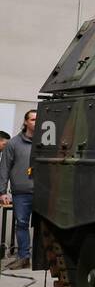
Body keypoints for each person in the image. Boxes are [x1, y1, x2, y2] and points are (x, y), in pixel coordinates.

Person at [0, 110, 36, 270]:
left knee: (45, 226)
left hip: (43, 193)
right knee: (21, 224)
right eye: (33, 119)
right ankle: (23, 257)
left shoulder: (45, 143)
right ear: (26, 122)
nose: (36, 122)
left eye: (38, 119)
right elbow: (4, 168)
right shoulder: (13, 144)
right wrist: (2, 192)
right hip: (21, 193)